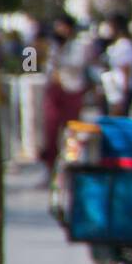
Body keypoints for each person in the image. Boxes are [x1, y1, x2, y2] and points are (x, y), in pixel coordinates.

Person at [40, 14, 88, 175]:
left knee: (71, 130)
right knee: (51, 129)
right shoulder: (52, 46)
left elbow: (77, 64)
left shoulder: (78, 46)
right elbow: (43, 65)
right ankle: (50, 167)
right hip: (54, 91)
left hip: (72, 90)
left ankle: (71, 166)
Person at [101, 14, 132, 117]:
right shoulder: (116, 44)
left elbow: (126, 68)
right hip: (114, 88)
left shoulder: (124, 45)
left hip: (120, 90)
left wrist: (123, 95)